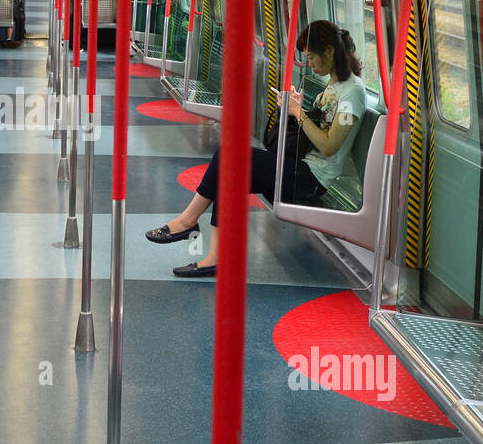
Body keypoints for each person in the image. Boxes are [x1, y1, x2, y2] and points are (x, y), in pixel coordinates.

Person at [145, 20, 367, 277]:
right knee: (227, 174)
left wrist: (299, 114)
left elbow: (329, 146)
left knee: (228, 155)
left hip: (312, 178)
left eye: (312, 56)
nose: (310, 64)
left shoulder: (353, 93)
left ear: (330, 51)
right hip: (299, 166)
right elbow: (320, 127)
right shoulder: (335, 84)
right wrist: (293, 108)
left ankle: (187, 222)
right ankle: (212, 255)